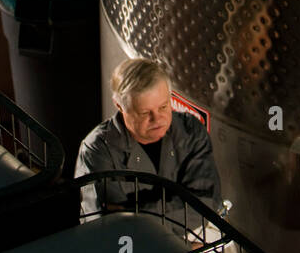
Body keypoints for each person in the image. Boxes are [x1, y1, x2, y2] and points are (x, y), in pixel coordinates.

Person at [74, 58, 223, 237]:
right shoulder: (96, 151)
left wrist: (137, 215)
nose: (157, 119)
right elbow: (109, 229)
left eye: (163, 107)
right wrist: (181, 220)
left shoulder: (191, 131)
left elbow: (205, 204)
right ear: (120, 106)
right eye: (145, 113)